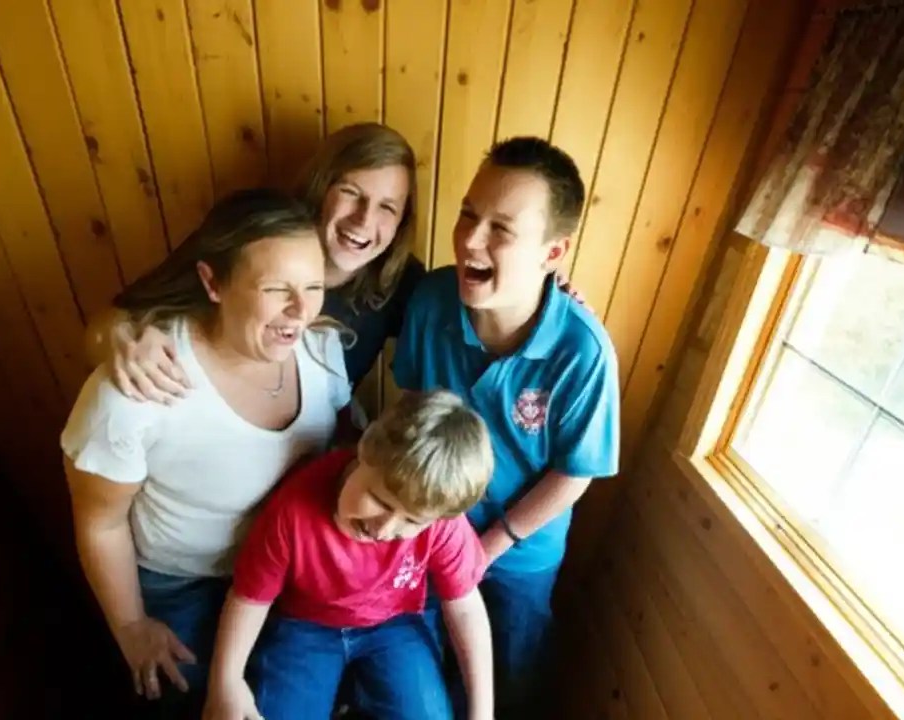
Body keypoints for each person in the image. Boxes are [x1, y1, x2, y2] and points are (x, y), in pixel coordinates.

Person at [61, 189, 351, 716]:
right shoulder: (136, 392)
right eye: (275, 289)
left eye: (313, 286)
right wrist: (131, 626)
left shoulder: (322, 352)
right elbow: (100, 522)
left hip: (285, 568)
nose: (301, 310)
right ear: (212, 283)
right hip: (182, 582)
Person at [392, 137, 621, 718]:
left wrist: (489, 546)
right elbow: (413, 411)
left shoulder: (582, 350)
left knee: (513, 672)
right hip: (429, 531)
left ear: (552, 253)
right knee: (418, 663)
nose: (470, 238)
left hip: (522, 551)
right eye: (469, 213)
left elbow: (574, 473)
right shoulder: (430, 302)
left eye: (501, 228)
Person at [202, 390, 496, 720]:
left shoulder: (442, 524)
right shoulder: (292, 511)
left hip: (393, 626)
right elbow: (249, 598)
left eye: (411, 521)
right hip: (306, 626)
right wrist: (225, 682)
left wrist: (482, 712)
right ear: (364, 449)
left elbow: (466, 608)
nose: (384, 528)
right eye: (380, 501)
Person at [92, 123, 425, 400]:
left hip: (315, 437)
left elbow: (448, 340)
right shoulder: (255, 234)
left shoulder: (400, 281)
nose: (364, 220)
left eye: (387, 207)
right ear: (321, 186)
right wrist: (122, 340)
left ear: (400, 223)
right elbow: (112, 318)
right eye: (352, 193)